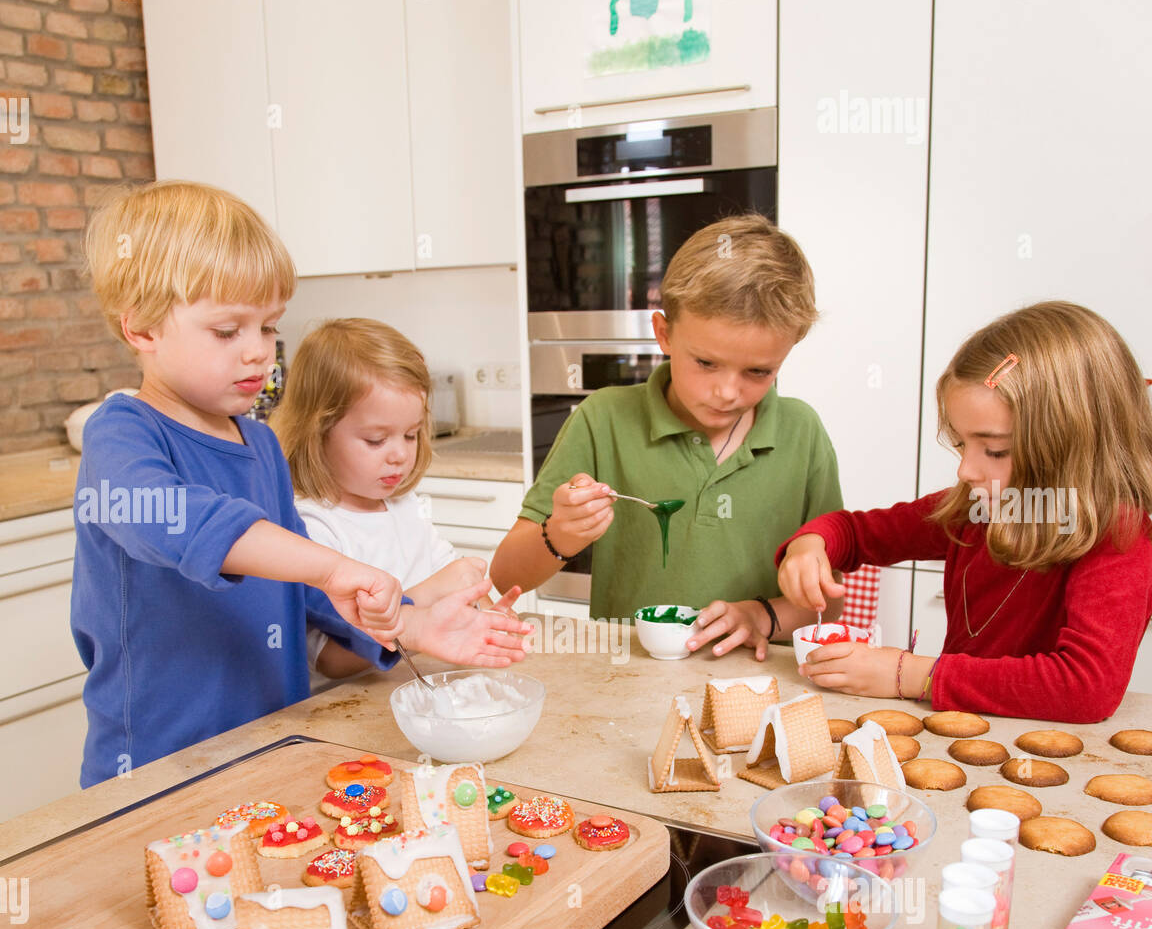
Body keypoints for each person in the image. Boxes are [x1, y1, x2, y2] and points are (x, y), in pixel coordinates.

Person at [74, 180, 529, 787]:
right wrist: (333, 568)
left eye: (268, 328)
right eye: (227, 330)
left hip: (273, 743)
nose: (259, 354)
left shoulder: (259, 443)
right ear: (143, 331)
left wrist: (411, 624)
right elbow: (181, 523)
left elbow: (302, 595)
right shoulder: (122, 434)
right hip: (158, 763)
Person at [778, 301, 1152, 722]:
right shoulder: (976, 509)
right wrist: (810, 546)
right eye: (960, 443)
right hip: (961, 736)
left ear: (1075, 446)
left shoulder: (1118, 535)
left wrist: (908, 674)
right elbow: (858, 533)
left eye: (995, 450)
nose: (965, 469)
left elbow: (1085, 687)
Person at [489, 214, 843, 655]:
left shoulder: (801, 434)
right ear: (664, 334)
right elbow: (506, 577)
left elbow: (825, 605)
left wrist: (760, 616)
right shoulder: (604, 420)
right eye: (706, 363)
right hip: (625, 680)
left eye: (758, 371)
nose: (728, 392)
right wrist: (560, 532)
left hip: (754, 685)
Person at [274, 318, 519, 681]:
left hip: (410, 687)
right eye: (376, 440)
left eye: (410, 434)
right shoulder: (311, 526)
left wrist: (487, 616)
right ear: (317, 433)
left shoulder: (403, 506)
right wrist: (427, 599)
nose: (400, 455)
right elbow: (329, 659)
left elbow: (458, 579)